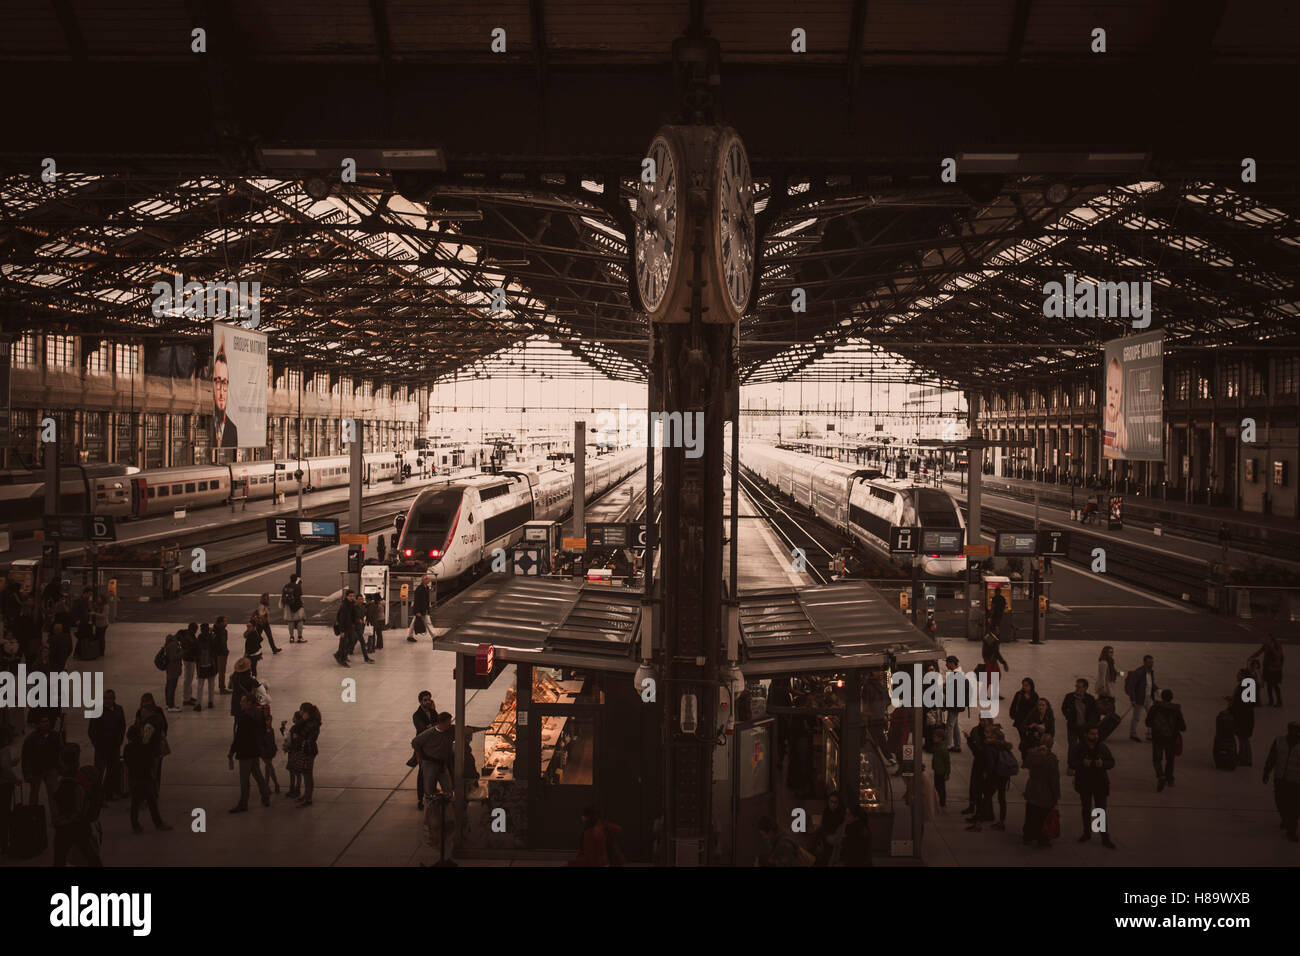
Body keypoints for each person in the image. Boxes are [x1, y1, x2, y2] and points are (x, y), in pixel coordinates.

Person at [50, 744, 102, 867]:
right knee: (90, 854)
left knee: (60, 857)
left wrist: (60, 820)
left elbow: (60, 805)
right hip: (81, 824)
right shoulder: (82, 777)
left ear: (62, 762)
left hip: (66, 826)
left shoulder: (63, 783)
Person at [1069, 724, 1116, 849]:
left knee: (1100, 810)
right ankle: (1087, 833)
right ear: (1086, 735)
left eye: (1096, 734)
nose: (1095, 736)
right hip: (1085, 783)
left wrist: (1103, 764)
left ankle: (1103, 835)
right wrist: (1082, 764)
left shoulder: (1102, 747)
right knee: (1086, 809)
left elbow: (1111, 762)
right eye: (1092, 734)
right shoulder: (1079, 748)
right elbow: (1071, 763)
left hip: (1100, 783)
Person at [412, 711, 456, 842]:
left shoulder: (450, 730)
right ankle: (429, 816)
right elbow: (415, 742)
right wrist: (420, 755)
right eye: (448, 722)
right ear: (441, 723)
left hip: (442, 764)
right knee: (429, 790)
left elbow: (465, 729)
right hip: (430, 763)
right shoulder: (429, 733)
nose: (450, 724)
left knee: (448, 788)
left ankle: (448, 814)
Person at [227, 693, 272, 813]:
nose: (240, 703)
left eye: (243, 701)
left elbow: (239, 737)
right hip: (255, 750)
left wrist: (231, 751)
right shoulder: (258, 714)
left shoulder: (245, 717)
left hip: (245, 752)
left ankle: (243, 803)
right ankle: (265, 797)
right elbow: (263, 730)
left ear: (249, 703)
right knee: (258, 775)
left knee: (244, 780)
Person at [123, 723, 171, 833]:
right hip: (145, 778)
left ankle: (135, 825)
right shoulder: (144, 747)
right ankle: (158, 823)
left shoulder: (128, 748)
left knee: (135, 803)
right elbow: (151, 759)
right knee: (152, 801)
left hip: (133, 778)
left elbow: (127, 761)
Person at [1262, 721, 1300, 842]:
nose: (1294, 732)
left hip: (1295, 781)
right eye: (1292, 729)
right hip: (1280, 778)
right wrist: (1266, 771)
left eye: (1296, 730)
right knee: (1280, 802)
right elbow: (1272, 757)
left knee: (1293, 806)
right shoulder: (1279, 741)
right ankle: (1285, 818)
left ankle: (1291, 830)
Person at [87, 689, 126, 802]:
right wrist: (97, 744)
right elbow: (91, 730)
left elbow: (122, 726)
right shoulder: (97, 710)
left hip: (114, 746)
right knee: (98, 772)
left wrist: (119, 741)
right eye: (105, 698)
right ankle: (97, 795)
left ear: (114, 699)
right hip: (101, 747)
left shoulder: (119, 709)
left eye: (109, 698)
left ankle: (108, 793)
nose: (107, 701)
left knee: (112, 771)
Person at [1022, 733, 1060, 847]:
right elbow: (1054, 779)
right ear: (1051, 745)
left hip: (1032, 788)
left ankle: (1028, 835)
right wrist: (1056, 795)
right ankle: (1042, 838)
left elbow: (1025, 765)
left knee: (1030, 814)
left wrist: (1036, 753)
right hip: (1045, 792)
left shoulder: (1032, 753)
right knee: (1043, 816)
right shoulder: (1052, 759)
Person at [1146, 688, 1186, 791]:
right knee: (1170, 760)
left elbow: (1148, 722)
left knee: (1157, 759)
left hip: (1157, 737)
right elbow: (1183, 727)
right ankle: (1169, 779)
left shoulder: (1155, 707)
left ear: (1162, 697)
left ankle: (1160, 775)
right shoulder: (1176, 710)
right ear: (1171, 698)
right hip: (1171, 739)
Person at [21, 713, 62, 806]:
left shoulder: (56, 736)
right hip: (36, 770)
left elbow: (60, 752)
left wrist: (59, 769)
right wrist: (27, 773)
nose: (46, 724)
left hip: (51, 769)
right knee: (34, 794)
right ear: (38, 724)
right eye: (43, 722)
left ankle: (55, 818)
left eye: (47, 721)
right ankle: (33, 816)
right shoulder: (31, 739)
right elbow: (26, 757)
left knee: (53, 795)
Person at [1060, 678, 1100, 760]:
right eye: (1076, 686)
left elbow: (1095, 713)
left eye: (1079, 687)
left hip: (1085, 728)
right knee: (1072, 746)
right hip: (1073, 727)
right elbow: (1064, 708)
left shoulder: (1090, 699)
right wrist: (1068, 716)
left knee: (1084, 746)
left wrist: (1090, 724)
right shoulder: (1069, 697)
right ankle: (1071, 764)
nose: (1076, 689)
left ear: (1085, 688)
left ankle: (1082, 763)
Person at [411, 690, 438, 812]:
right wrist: (432, 726)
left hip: (432, 746)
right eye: (425, 700)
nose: (427, 702)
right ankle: (420, 798)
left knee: (434, 770)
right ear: (420, 701)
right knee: (422, 773)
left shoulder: (433, 712)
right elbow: (422, 729)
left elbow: (437, 725)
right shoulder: (417, 715)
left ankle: (432, 791)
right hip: (422, 748)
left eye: (429, 700)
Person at [293, 702, 321, 807]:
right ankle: (306, 795)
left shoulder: (312, 724)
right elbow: (296, 729)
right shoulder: (308, 722)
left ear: (306, 712)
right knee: (305, 773)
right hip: (305, 750)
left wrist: (299, 737)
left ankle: (308, 798)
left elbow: (302, 735)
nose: (300, 713)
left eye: (301, 711)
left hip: (309, 751)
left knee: (308, 774)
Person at [1228, 670, 1258, 768]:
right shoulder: (1247, 685)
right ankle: (1243, 757)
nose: (1237, 676)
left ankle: (1246, 759)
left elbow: (1242, 704)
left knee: (1243, 739)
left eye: (1239, 674)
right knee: (1243, 739)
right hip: (1245, 717)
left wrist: (1231, 709)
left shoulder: (1246, 686)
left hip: (1244, 718)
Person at [1125, 654, 1158, 742]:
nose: (1151, 664)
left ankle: (1149, 734)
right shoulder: (1138, 672)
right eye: (1149, 662)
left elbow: (1150, 683)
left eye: (1152, 662)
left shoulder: (1150, 672)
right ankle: (1133, 733)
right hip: (1140, 698)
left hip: (1148, 698)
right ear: (1144, 662)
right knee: (1136, 717)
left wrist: (1157, 689)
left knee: (1151, 716)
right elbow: (1131, 686)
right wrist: (1133, 699)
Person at [810, 791, 848, 864]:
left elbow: (840, 833)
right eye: (831, 802)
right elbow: (823, 825)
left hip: (835, 840)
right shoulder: (826, 812)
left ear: (839, 803)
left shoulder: (841, 815)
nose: (833, 804)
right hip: (825, 837)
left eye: (835, 802)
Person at [213, 344, 239, 447]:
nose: (221, 392)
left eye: (224, 383)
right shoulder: (207, 424)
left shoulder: (233, 429)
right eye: (217, 382)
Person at [334, 590, 369, 665]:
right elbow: (341, 619)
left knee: (351, 641)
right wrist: (341, 631)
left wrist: (357, 619)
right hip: (344, 627)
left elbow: (354, 615)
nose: (352, 597)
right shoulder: (344, 606)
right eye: (350, 596)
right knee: (344, 644)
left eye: (353, 596)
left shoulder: (352, 604)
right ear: (347, 596)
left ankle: (339, 655)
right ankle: (342, 659)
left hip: (350, 627)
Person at [1103, 356, 1129, 456]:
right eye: (1110, 388)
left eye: (1116, 391)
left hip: (1114, 455)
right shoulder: (1104, 413)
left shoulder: (1119, 418)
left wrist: (1122, 435)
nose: (1113, 396)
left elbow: (1126, 445)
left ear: (1120, 398)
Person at [1250, 635, 1285, 707]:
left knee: (1275, 685)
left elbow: (1278, 655)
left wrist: (1271, 647)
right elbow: (1259, 652)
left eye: (1267, 639)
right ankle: (1271, 701)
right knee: (1269, 684)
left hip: (1275, 669)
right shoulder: (1266, 645)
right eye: (1265, 639)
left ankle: (1279, 702)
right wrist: (1252, 656)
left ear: (1272, 639)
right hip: (1267, 668)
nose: (1265, 640)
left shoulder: (1277, 646)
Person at [1009, 678, 1039, 756]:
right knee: (1023, 740)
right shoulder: (1019, 694)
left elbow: (1037, 709)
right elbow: (1013, 706)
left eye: (1026, 685)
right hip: (1021, 722)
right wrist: (1013, 715)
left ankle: (1028, 757)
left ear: (1031, 686)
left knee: (1029, 741)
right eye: (1023, 685)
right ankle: (1025, 758)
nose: (1024, 687)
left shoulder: (1035, 696)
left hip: (1030, 722)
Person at [228, 658, 259, 728]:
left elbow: (230, 687)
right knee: (246, 720)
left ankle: (236, 736)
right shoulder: (250, 679)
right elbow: (257, 686)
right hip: (246, 702)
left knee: (236, 721)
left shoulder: (233, 677)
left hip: (235, 701)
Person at [943, 656, 964, 754]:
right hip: (957, 703)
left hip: (954, 703)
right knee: (954, 724)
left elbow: (950, 691)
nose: (946, 665)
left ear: (952, 663)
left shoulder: (955, 675)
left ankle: (948, 745)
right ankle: (957, 744)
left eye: (947, 663)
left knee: (950, 725)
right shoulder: (959, 673)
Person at [195, 623, 217, 711]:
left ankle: (199, 703)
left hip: (201, 665)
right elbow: (215, 649)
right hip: (211, 664)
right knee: (211, 684)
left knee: (200, 685)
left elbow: (196, 651)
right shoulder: (211, 638)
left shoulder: (199, 638)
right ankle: (210, 701)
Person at [928, 727, 950, 810]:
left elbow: (947, 762)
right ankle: (941, 800)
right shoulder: (937, 747)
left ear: (940, 738)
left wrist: (947, 773)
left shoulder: (943, 749)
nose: (933, 738)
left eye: (935, 737)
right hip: (937, 770)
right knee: (938, 785)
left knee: (941, 787)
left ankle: (942, 801)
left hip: (941, 771)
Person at [280, 575, 306, 644]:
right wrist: (302, 604)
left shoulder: (286, 586)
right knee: (300, 621)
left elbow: (283, 596)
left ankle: (291, 637)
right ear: (296, 579)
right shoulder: (298, 586)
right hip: (297, 606)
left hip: (288, 606)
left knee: (290, 622)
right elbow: (300, 597)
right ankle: (300, 637)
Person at [179, 622, 199, 707]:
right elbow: (191, 646)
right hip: (189, 659)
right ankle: (186, 699)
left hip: (190, 659)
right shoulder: (188, 637)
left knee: (189, 679)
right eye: (195, 629)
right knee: (188, 679)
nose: (196, 631)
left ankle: (189, 696)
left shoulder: (188, 635)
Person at [162, 631, 183, 712]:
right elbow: (173, 657)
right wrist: (182, 652)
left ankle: (169, 703)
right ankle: (171, 705)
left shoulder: (170, 642)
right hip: (173, 668)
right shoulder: (173, 645)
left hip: (170, 668)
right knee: (172, 687)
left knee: (169, 686)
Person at [408, 575, 431, 641]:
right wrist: (417, 611)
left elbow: (426, 600)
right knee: (428, 623)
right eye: (428, 579)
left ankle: (409, 636)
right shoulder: (419, 589)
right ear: (424, 580)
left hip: (424, 609)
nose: (429, 580)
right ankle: (434, 636)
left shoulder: (426, 588)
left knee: (414, 622)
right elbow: (417, 601)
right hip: (420, 609)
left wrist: (428, 608)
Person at [213, 615, 231, 695]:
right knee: (222, 671)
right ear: (221, 623)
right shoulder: (223, 631)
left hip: (216, 653)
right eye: (225, 621)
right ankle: (222, 688)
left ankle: (217, 685)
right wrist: (226, 652)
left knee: (218, 670)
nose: (226, 623)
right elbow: (223, 643)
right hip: (221, 654)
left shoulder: (215, 630)